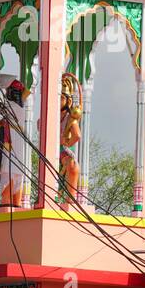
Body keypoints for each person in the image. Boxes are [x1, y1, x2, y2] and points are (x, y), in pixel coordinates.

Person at [0, 78, 29, 210]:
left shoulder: (9, 107)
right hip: (20, 160)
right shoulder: (22, 110)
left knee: (6, 196)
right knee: (16, 200)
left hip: (9, 157)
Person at [58, 77, 82, 206]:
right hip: (49, 150)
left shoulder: (69, 118)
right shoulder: (51, 115)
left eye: (61, 98)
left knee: (73, 166)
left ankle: (70, 201)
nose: (59, 101)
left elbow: (77, 135)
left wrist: (65, 142)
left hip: (64, 151)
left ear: (68, 101)